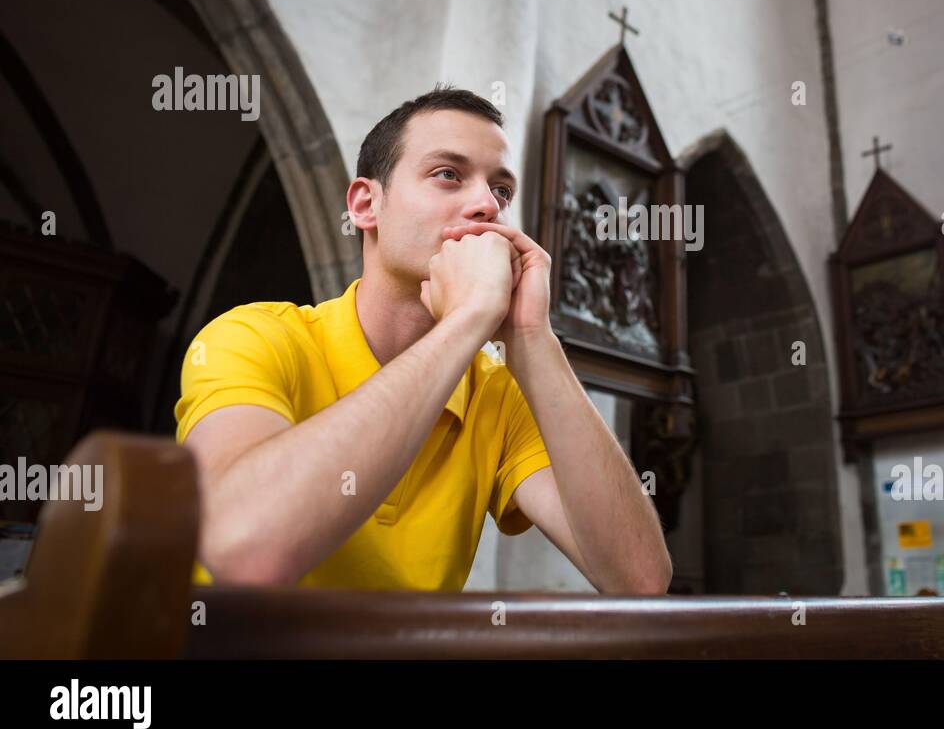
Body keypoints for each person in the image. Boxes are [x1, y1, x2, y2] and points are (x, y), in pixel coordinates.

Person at [174, 85, 672, 593]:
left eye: (501, 190)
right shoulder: (252, 336)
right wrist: (469, 319)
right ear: (366, 204)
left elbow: (640, 580)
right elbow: (244, 548)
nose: (486, 205)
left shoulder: (498, 395)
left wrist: (531, 335)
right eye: (448, 175)